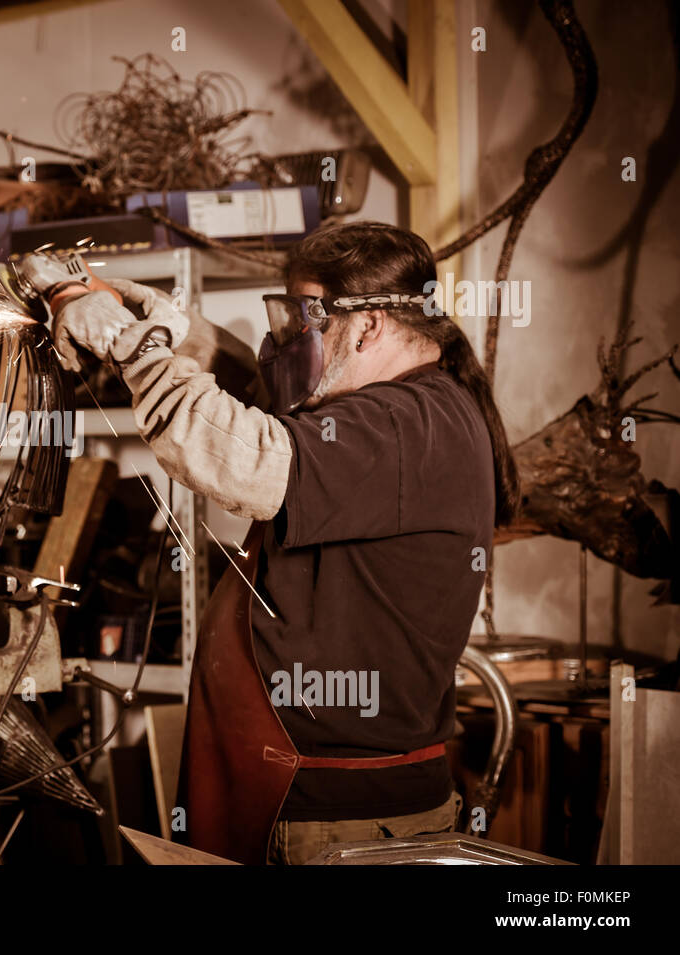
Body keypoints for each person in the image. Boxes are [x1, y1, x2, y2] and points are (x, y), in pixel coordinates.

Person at [40, 221, 519, 864]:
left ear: (369, 324)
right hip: (315, 799)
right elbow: (258, 399)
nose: (283, 337)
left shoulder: (400, 425)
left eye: (300, 317)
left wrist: (129, 344)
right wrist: (166, 327)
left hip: (336, 823)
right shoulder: (402, 408)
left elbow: (233, 454)